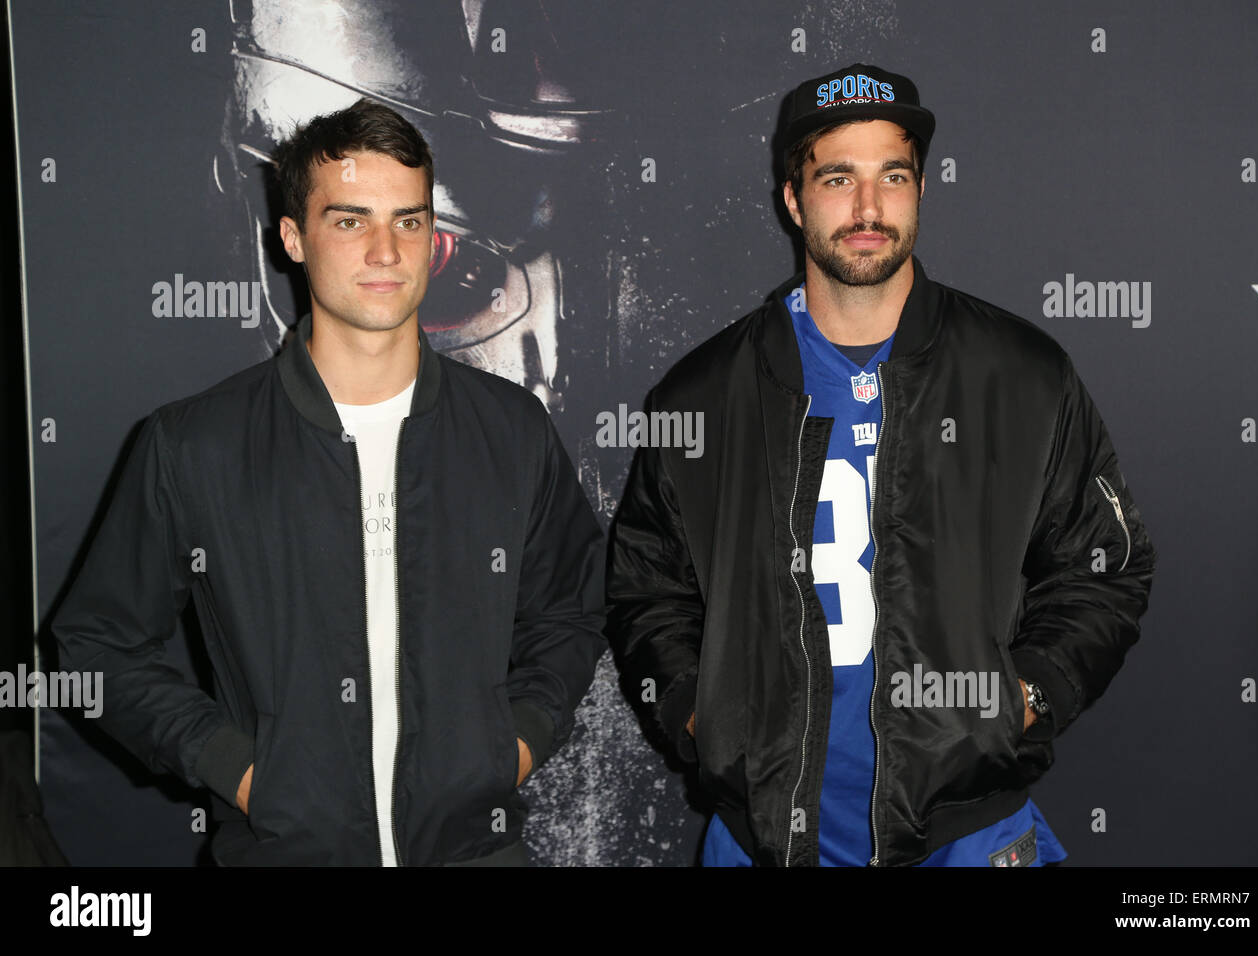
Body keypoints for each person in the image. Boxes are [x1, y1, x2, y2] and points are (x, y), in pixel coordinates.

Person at [605, 64, 1156, 867]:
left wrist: (1028, 697)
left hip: (970, 837)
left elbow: (1105, 567)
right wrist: (697, 712)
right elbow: (648, 585)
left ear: (921, 190)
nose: (868, 208)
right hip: (758, 841)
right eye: (838, 177)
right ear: (793, 200)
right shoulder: (705, 395)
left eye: (891, 176)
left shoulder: (1022, 373)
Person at [52, 99, 606, 866]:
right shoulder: (195, 444)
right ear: (291, 238)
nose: (386, 250)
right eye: (350, 221)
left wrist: (512, 745)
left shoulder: (511, 430)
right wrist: (239, 772)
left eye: (410, 221)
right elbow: (98, 643)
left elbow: (572, 610)